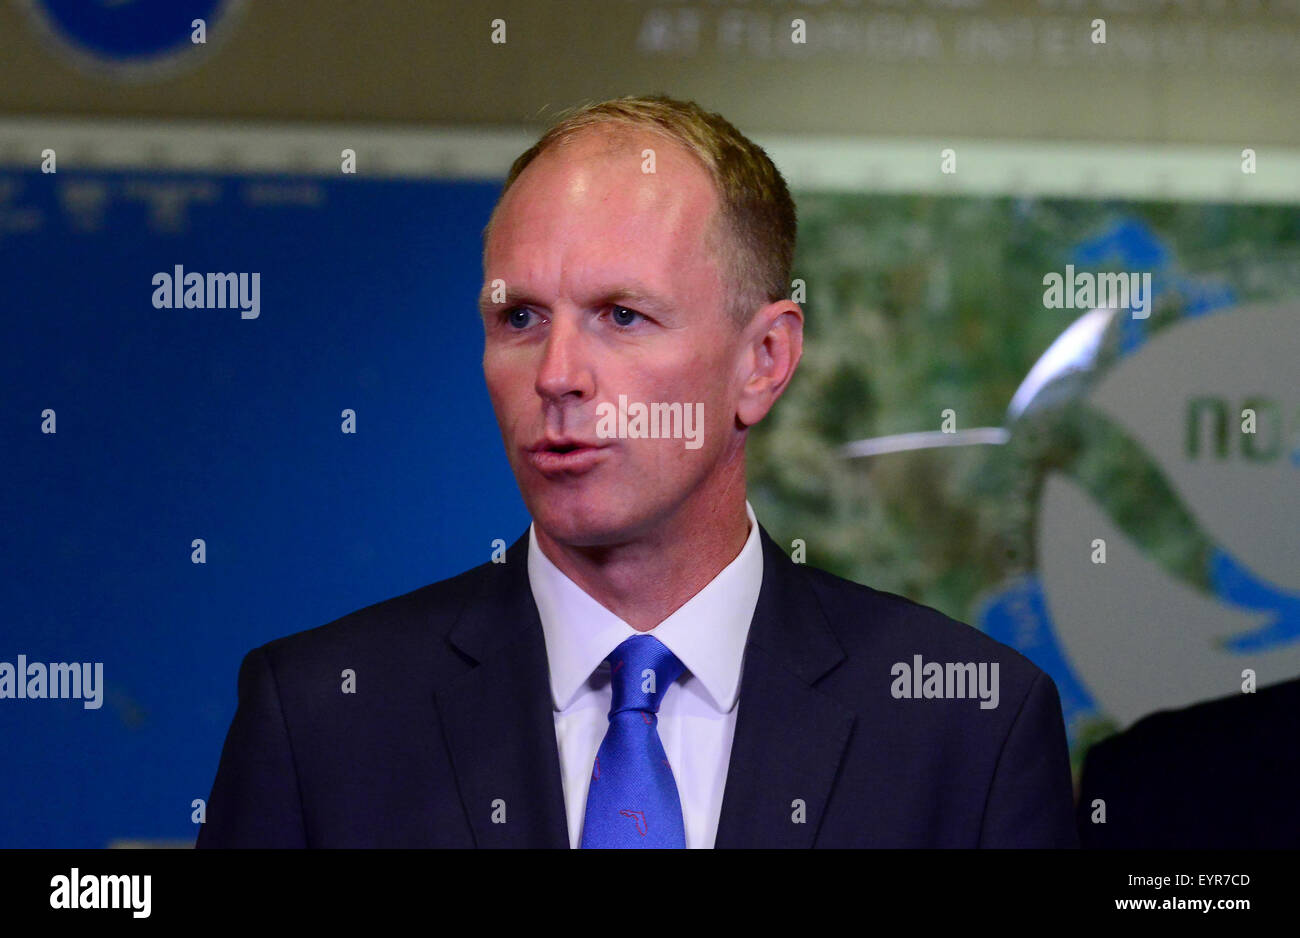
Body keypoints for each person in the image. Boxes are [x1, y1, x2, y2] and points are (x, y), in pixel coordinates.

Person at [197, 94, 1077, 848]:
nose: (557, 375)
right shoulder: (319, 721)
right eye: (520, 319)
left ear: (763, 360)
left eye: (621, 315)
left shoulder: (967, 729)